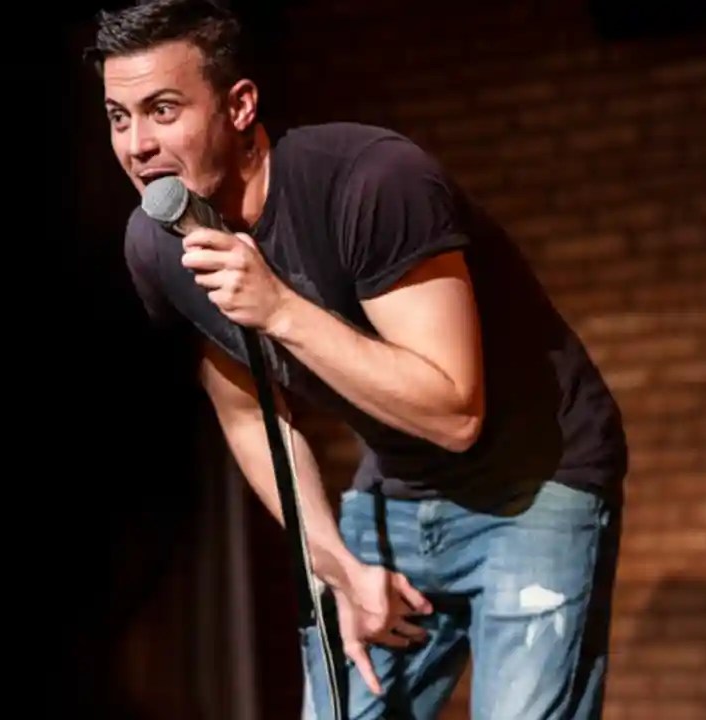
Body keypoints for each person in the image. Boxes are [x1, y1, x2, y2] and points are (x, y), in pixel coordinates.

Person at [86, 1, 628, 717]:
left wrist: (280, 308)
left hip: (535, 482)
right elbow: (249, 413)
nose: (137, 145)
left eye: (162, 110)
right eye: (119, 117)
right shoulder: (156, 247)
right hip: (399, 490)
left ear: (240, 104)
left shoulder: (373, 182)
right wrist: (337, 567)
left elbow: (455, 412)